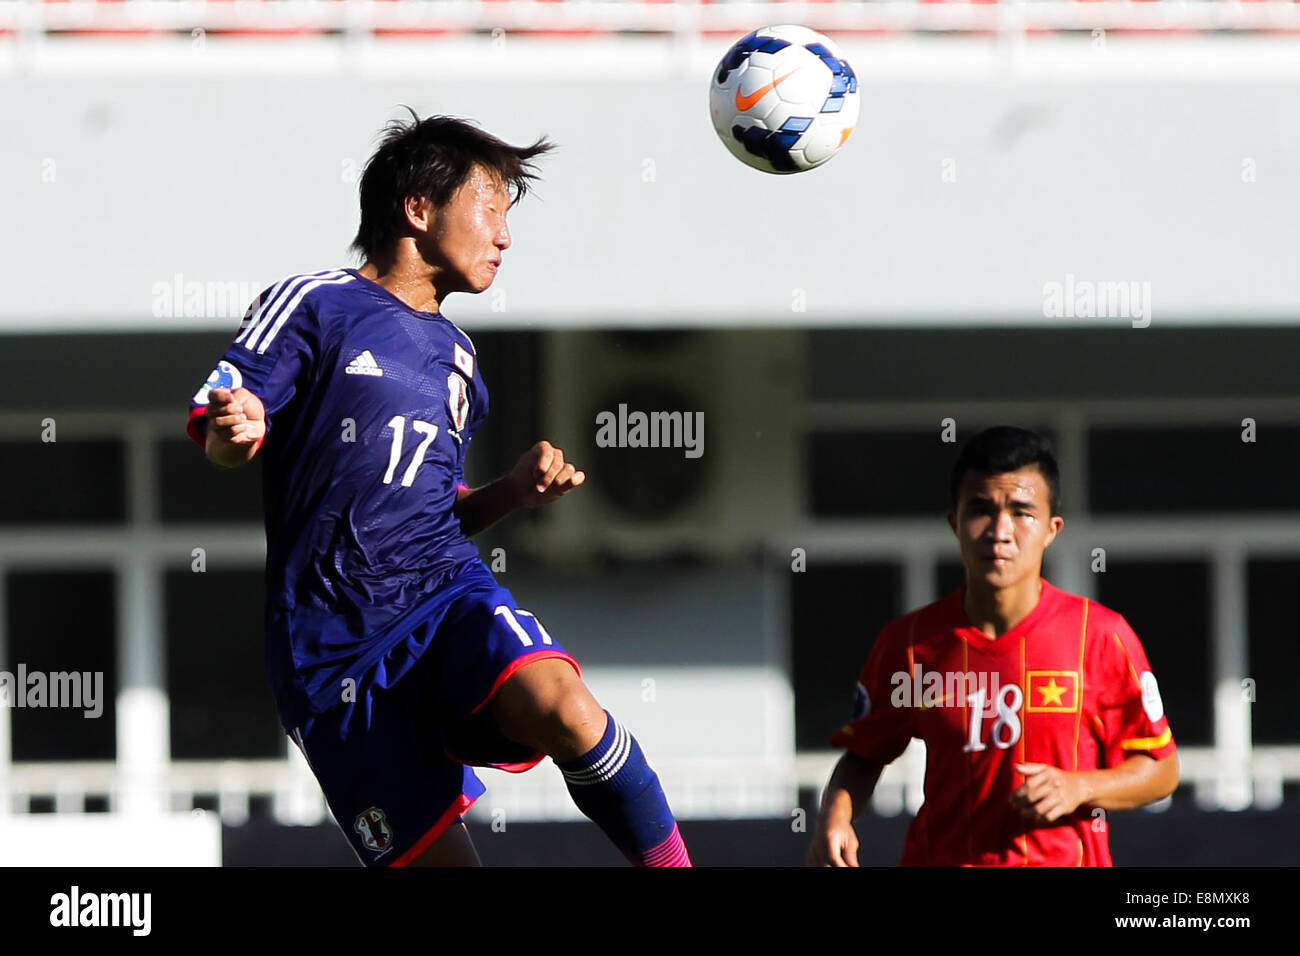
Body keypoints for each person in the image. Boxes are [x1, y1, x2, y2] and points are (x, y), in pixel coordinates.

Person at [185, 112, 690, 867]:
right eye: (491, 209)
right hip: (331, 653)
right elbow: (226, 427)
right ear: (418, 209)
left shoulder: (459, 358)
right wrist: (236, 431)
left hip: (440, 595)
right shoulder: (314, 304)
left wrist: (509, 494)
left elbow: (424, 510)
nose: (505, 237)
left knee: (566, 707)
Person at [808, 426, 1178, 866]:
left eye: (1021, 512)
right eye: (981, 509)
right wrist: (835, 818)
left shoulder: (1100, 636)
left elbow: (1161, 769)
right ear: (955, 523)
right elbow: (865, 755)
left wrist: (1080, 786)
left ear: (1051, 529)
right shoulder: (909, 643)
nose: (1000, 531)